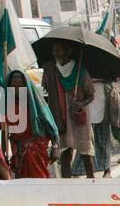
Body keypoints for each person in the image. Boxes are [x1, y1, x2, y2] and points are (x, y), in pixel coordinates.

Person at [41, 41, 96, 179]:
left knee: (86, 153)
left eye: (59, 50)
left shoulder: (80, 71)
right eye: (54, 50)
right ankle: (67, 184)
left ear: (68, 52)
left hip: (78, 117)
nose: (56, 54)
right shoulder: (50, 70)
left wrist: (80, 103)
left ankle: (92, 182)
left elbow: (91, 95)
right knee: (65, 154)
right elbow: (45, 92)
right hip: (60, 117)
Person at [2, 70, 56, 178]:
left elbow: (51, 126)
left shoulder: (36, 103)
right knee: (21, 184)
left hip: (36, 151)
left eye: (20, 86)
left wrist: (55, 147)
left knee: (38, 181)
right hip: (18, 152)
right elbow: (5, 131)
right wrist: (3, 152)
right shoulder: (8, 104)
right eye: (13, 87)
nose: (17, 90)